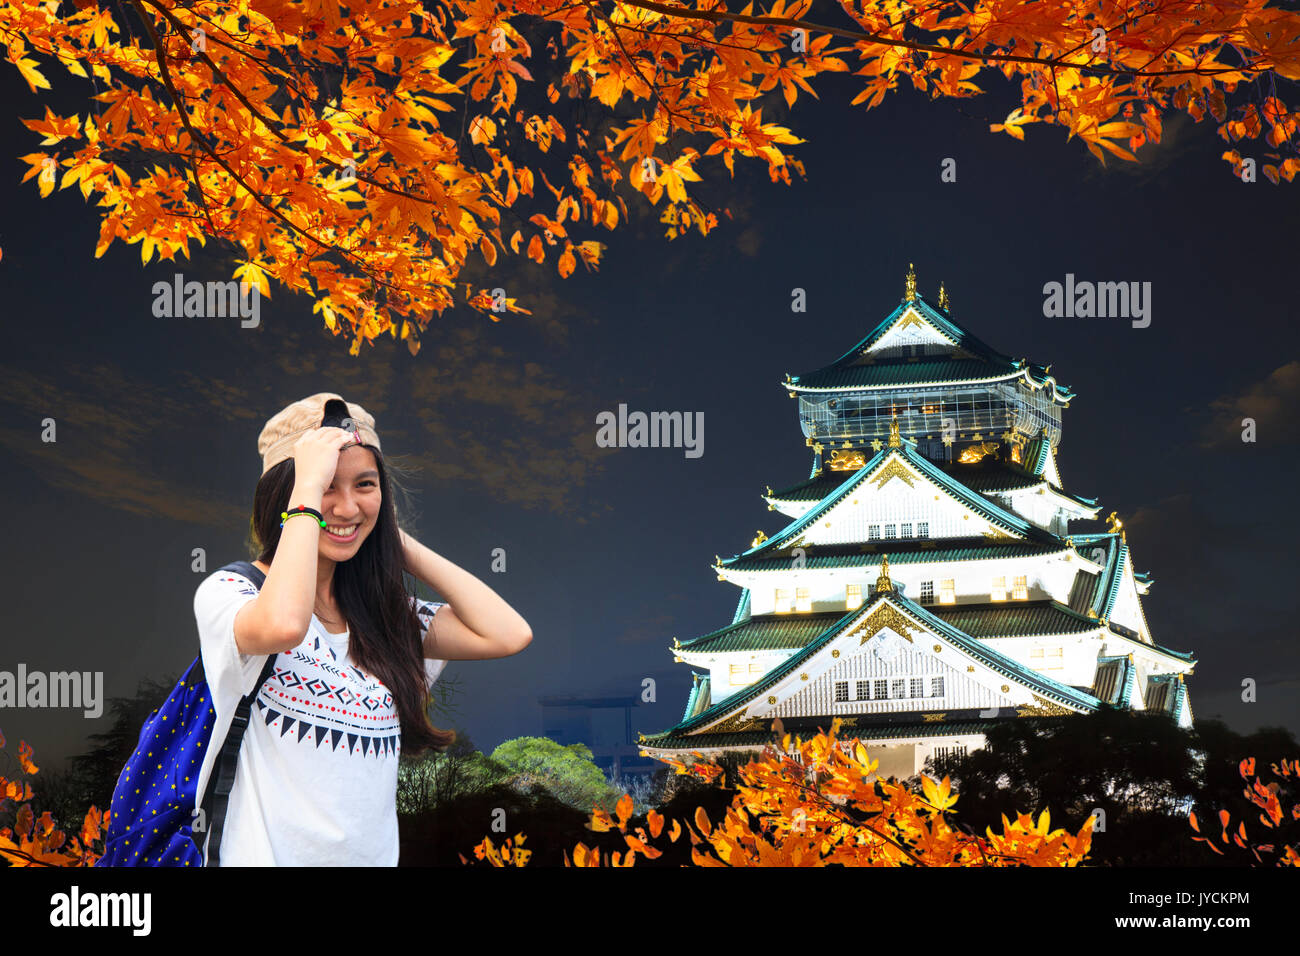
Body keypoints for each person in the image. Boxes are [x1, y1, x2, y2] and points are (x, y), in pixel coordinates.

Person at [192, 392, 532, 865]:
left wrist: (394, 539)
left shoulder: (388, 618)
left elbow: (508, 633)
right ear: (285, 496)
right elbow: (286, 624)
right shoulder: (231, 591)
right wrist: (306, 487)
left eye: (365, 485)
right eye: (327, 486)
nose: (347, 508)